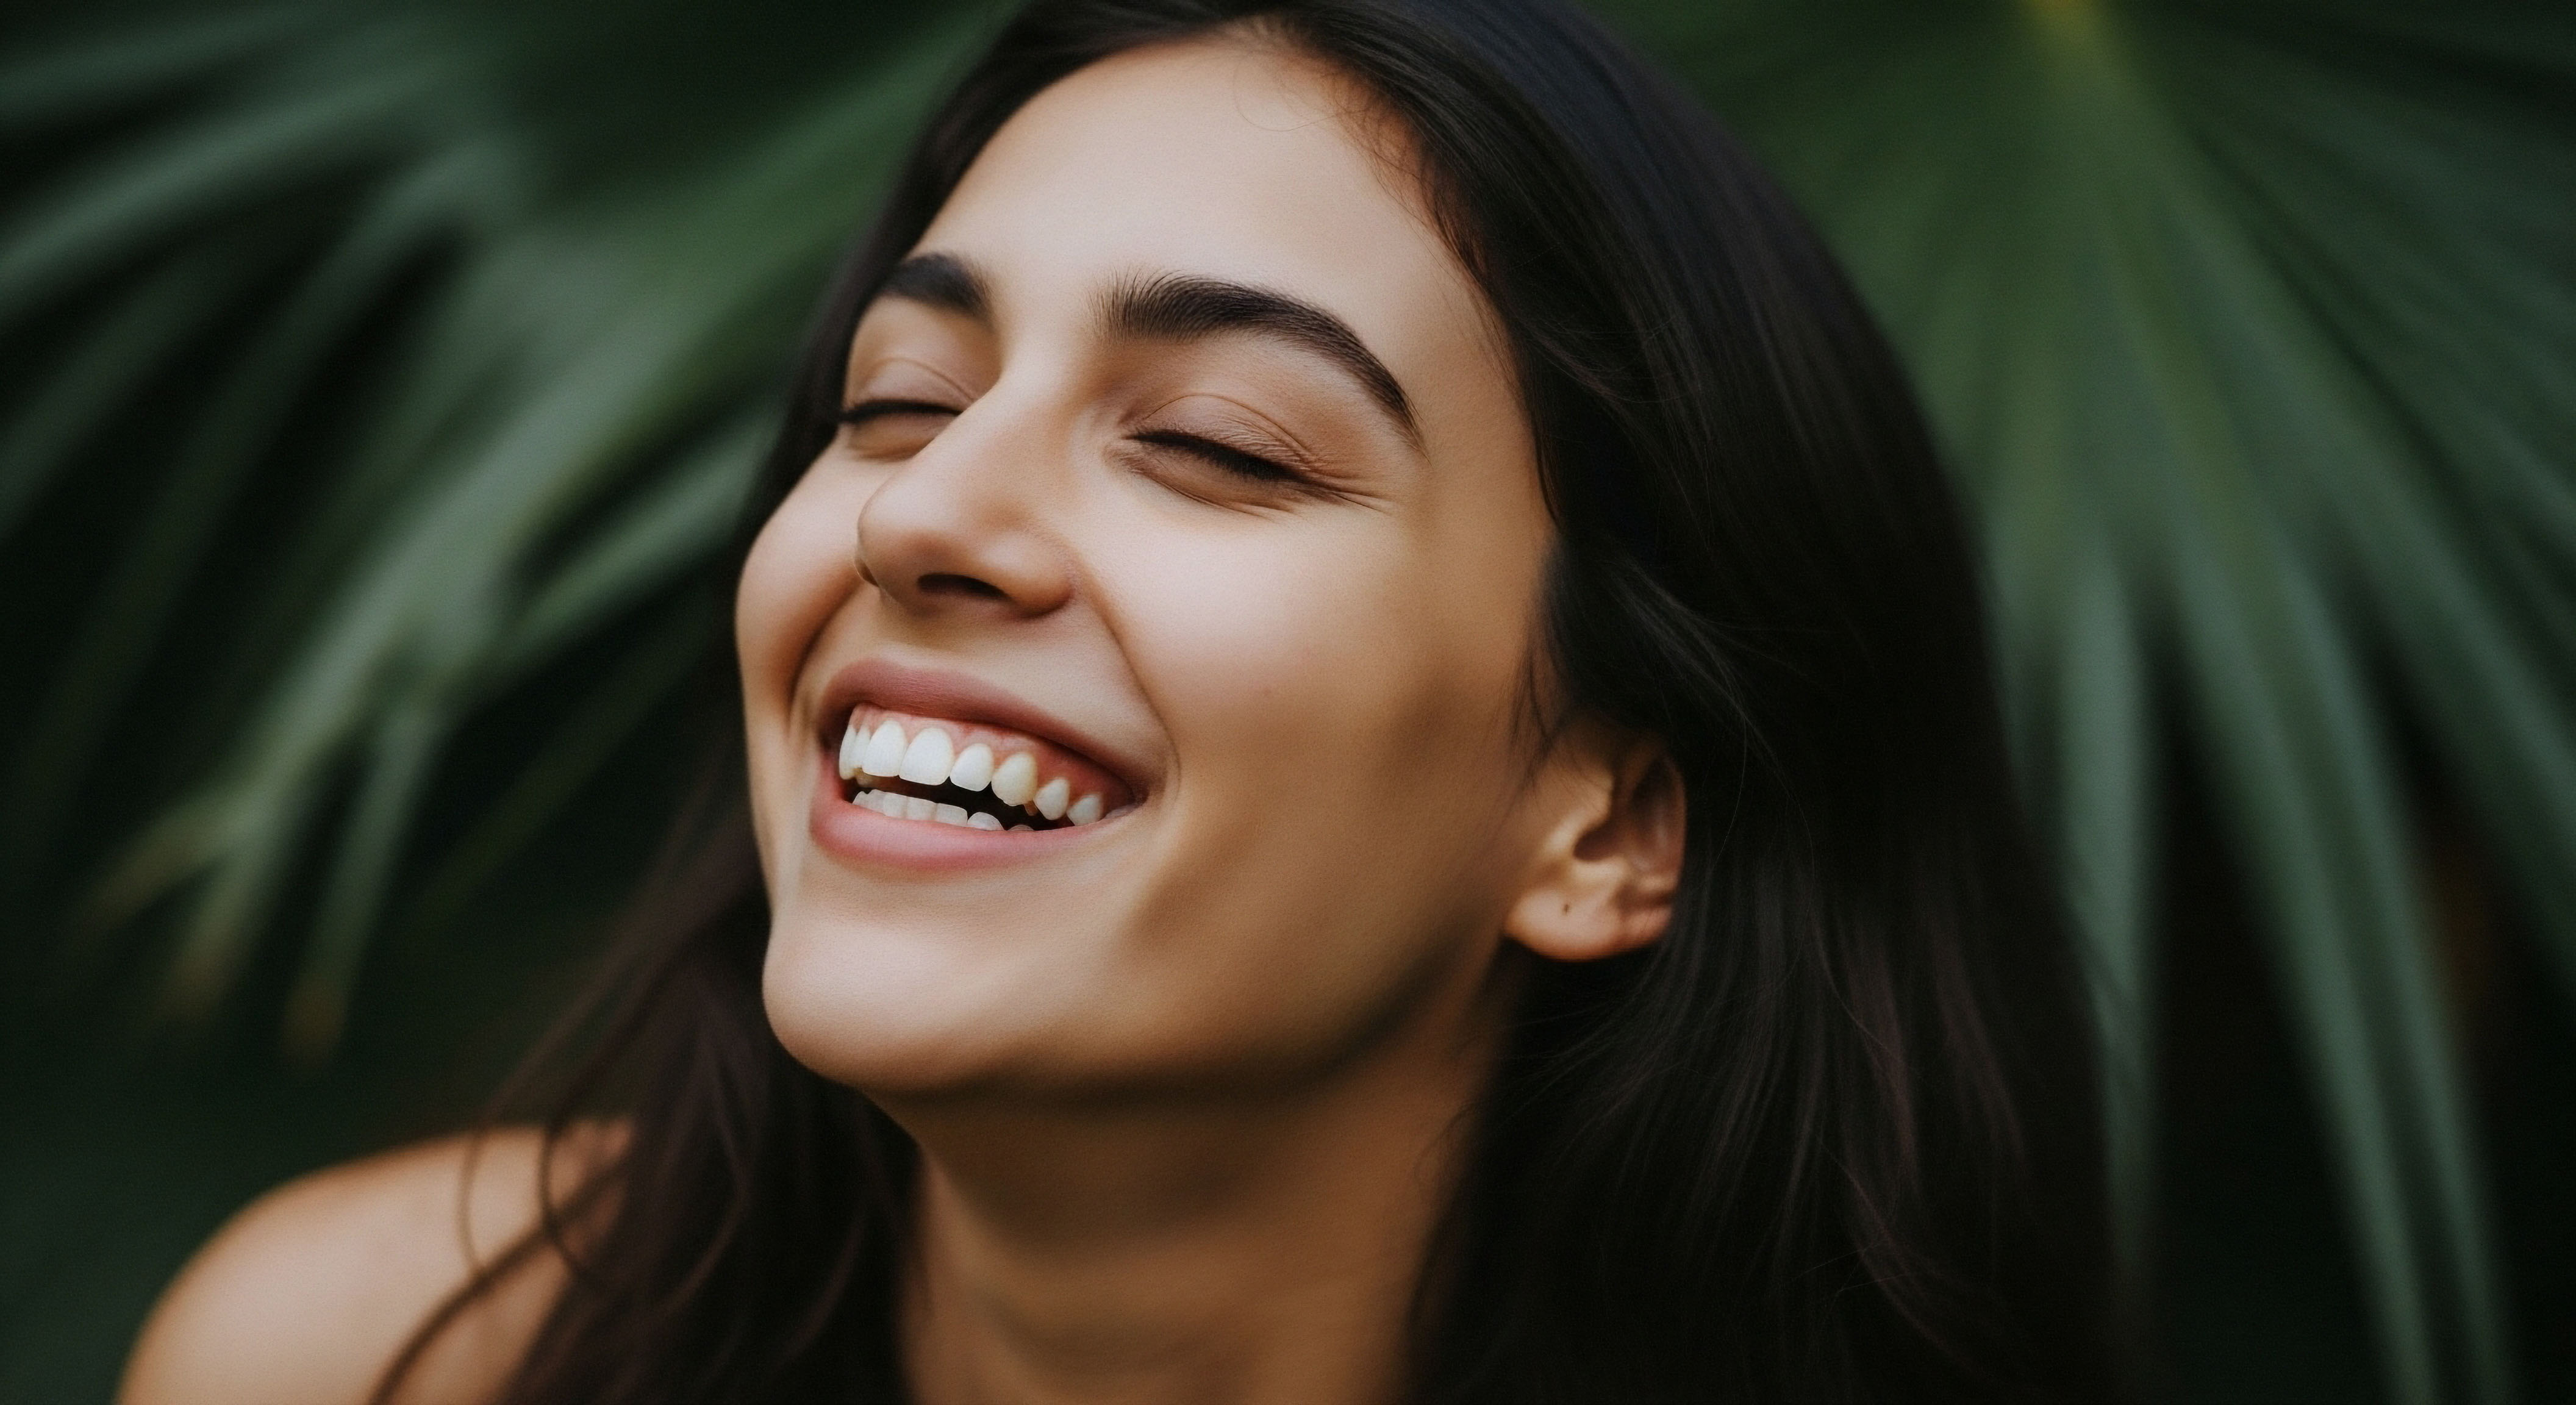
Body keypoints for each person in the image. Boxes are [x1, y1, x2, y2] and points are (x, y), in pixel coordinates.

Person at [120, 0, 2110, 1400]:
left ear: (1609, 820)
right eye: (897, 398)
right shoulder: (357, 1364)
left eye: (1224, 448)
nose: (928, 508)